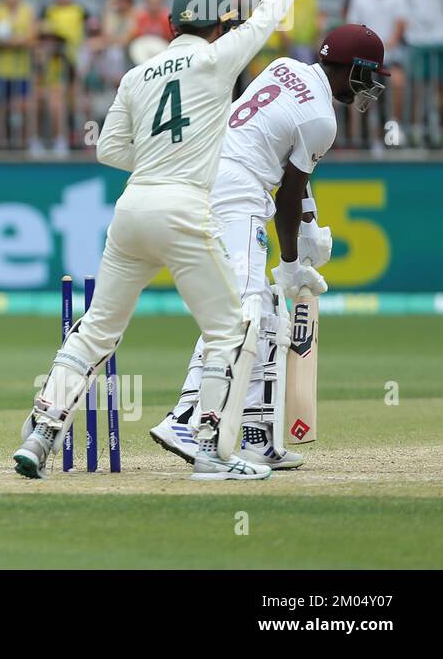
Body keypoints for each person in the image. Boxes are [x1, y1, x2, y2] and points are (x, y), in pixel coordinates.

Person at [12, 0, 328, 481]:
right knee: (231, 329)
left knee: (97, 330)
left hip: (131, 209)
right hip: (184, 209)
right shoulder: (216, 59)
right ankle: (210, 449)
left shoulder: (137, 75)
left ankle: (40, 432)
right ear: (216, 25)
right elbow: (272, 14)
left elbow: (109, 151)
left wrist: (157, 156)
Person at [151, 24, 388, 470]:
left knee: (266, 316)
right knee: (238, 312)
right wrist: (294, 262)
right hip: (234, 193)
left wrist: (313, 225)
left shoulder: (284, 67)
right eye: (370, 76)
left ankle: (259, 438)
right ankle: (185, 417)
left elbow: (290, 169)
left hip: (213, 174)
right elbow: (288, 196)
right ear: (354, 70)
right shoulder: (323, 119)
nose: (372, 88)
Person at [362, 0, 443, 147]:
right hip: (417, 44)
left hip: (437, 43)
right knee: (415, 89)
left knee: (437, 89)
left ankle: (437, 128)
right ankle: (416, 128)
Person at [345, 0, 410, 148]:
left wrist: (390, 42)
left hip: (390, 56)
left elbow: (401, 23)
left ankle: (393, 135)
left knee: (396, 87)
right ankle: (360, 139)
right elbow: (354, 27)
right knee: (363, 96)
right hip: (366, 59)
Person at [0, 0, 37, 149]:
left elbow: (30, 38)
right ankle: (0, 143)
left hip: (20, 69)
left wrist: (9, 42)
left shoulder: (27, 11)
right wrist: (16, 41)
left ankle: (23, 143)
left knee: (22, 107)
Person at [37, 0, 87, 154]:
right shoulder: (49, 11)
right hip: (55, 64)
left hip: (74, 61)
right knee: (54, 102)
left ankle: (83, 141)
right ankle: (58, 140)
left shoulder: (79, 11)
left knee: (78, 103)